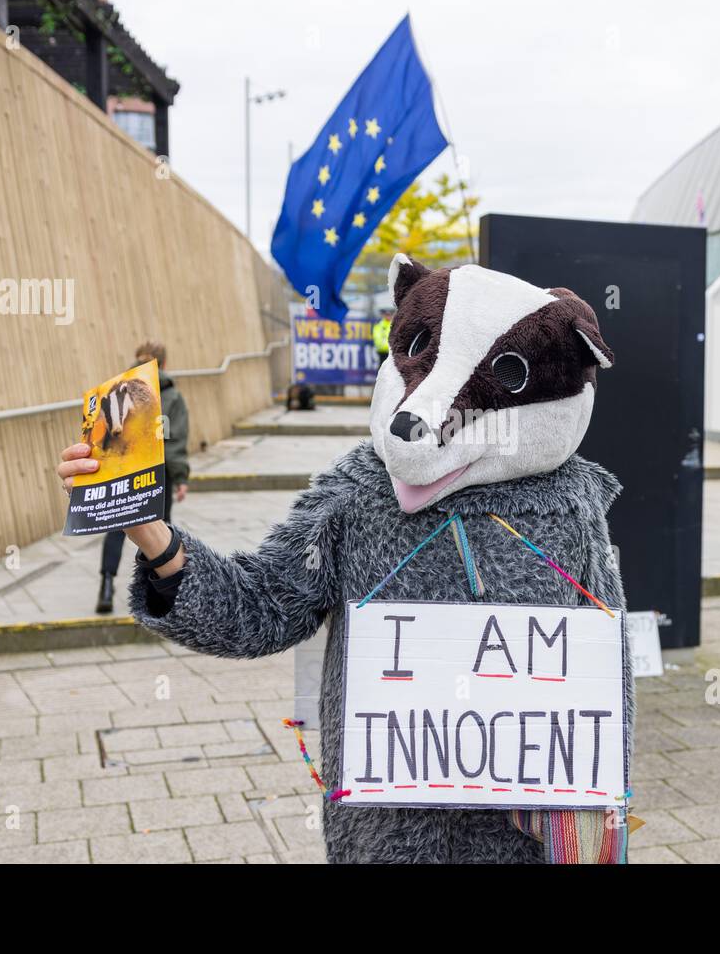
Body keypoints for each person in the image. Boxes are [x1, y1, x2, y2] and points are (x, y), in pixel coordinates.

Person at [59, 256, 629, 863]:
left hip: (523, 839)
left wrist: (603, 811)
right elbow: (263, 607)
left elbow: (606, 669)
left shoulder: (570, 509)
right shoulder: (357, 493)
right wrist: (152, 535)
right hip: (386, 837)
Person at [96, 341, 190, 613]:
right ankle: (161, 593)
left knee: (116, 527)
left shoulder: (116, 391)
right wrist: (180, 477)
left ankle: (106, 585)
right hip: (158, 472)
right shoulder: (171, 396)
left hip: (124, 470)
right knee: (162, 530)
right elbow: (173, 439)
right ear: (164, 363)